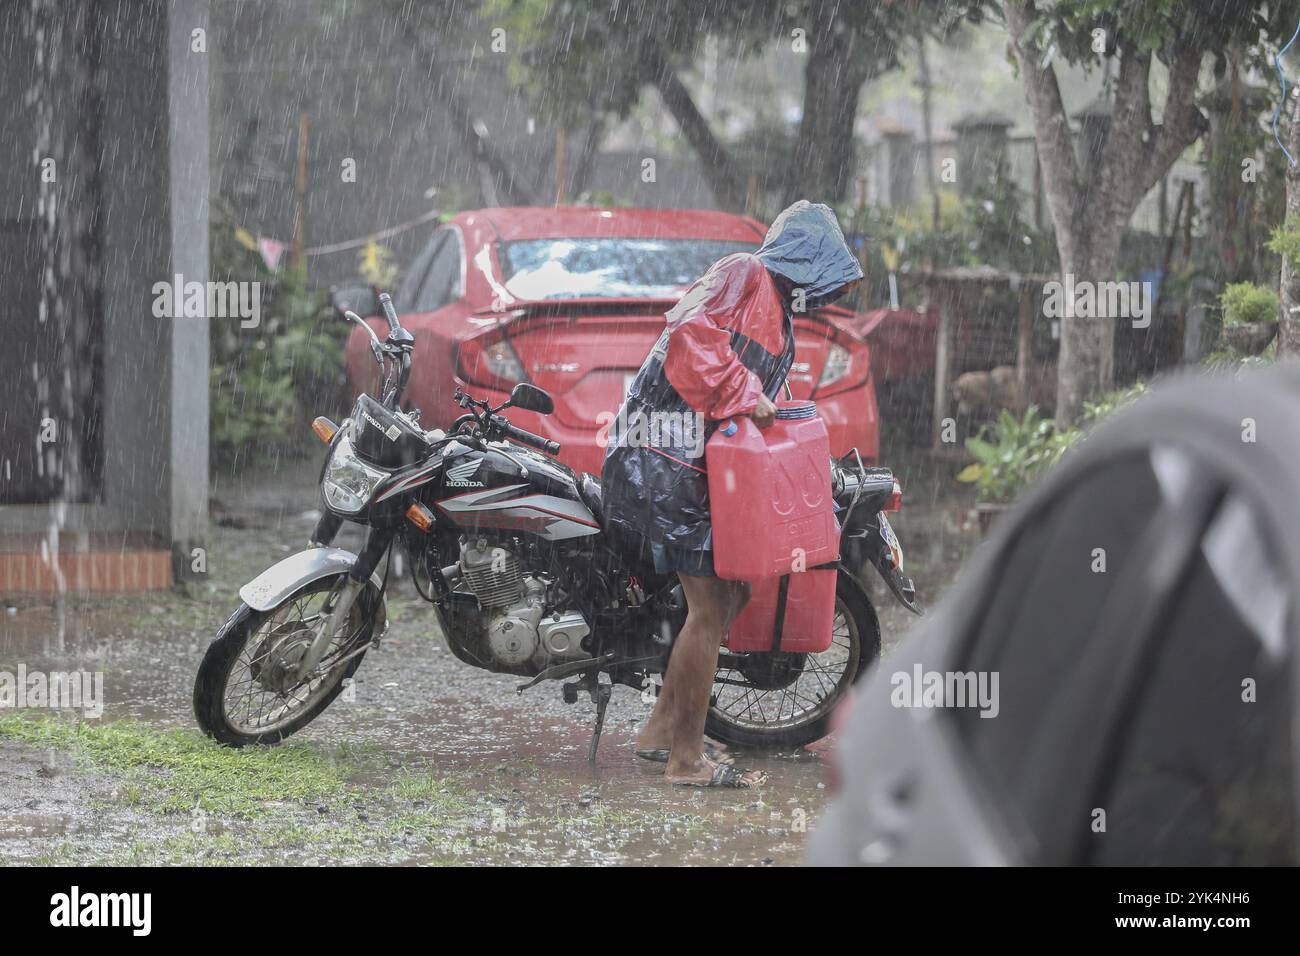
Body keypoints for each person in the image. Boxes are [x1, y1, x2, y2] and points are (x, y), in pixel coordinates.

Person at [601, 201, 863, 788]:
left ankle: (661, 729)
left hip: (690, 468)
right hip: (659, 459)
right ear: (805, 257)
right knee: (709, 606)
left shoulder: (779, 314)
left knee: (733, 593)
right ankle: (686, 761)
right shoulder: (745, 272)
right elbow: (689, 334)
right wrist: (745, 391)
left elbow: (764, 400)